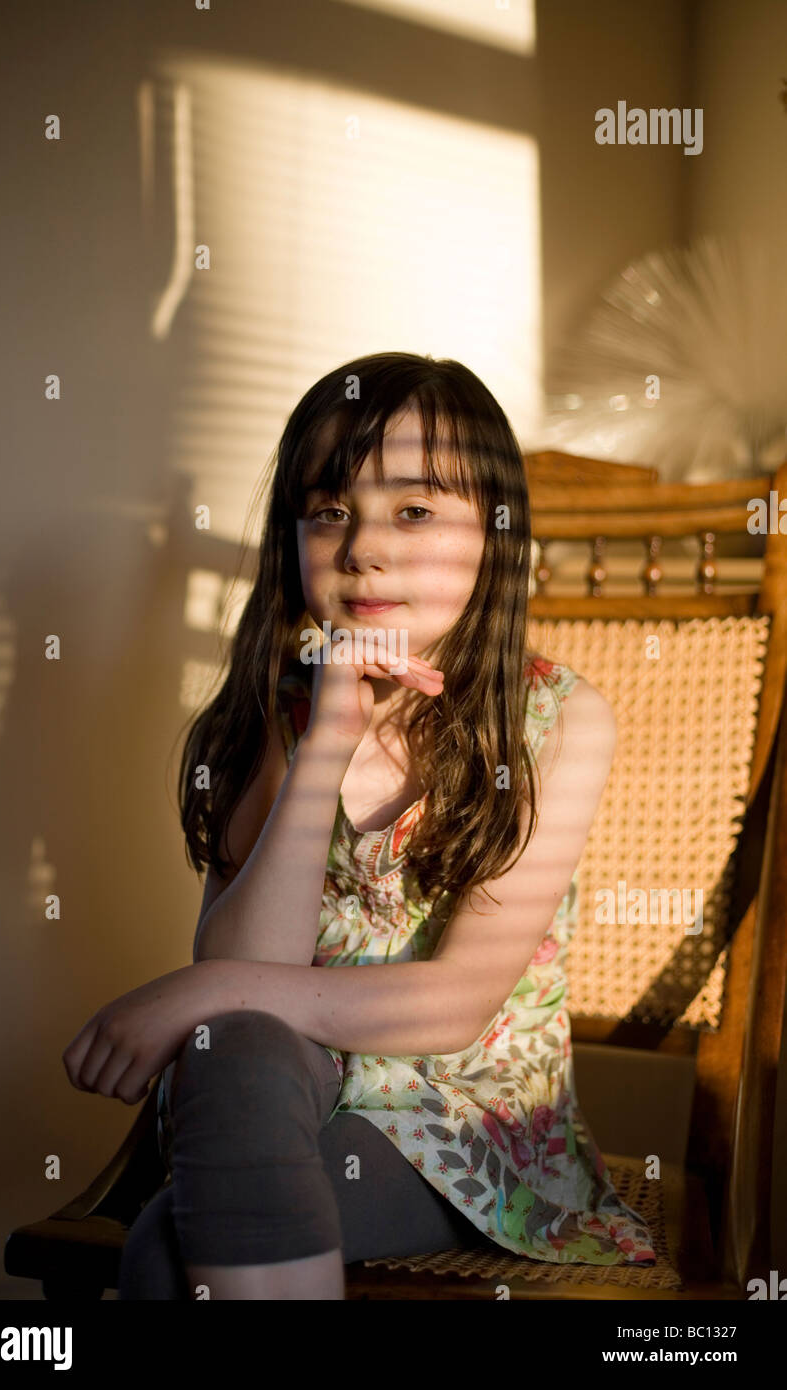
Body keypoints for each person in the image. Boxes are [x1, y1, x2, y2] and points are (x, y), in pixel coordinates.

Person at [64, 351, 657, 1299]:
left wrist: (195, 990)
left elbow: (456, 1003)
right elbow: (251, 965)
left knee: (168, 1258)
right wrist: (326, 742)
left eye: (414, 512)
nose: (363, 548)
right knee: (239, 1042)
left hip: (457, 1119)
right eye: (330, 509)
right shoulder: (276, 712)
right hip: (287, 1087)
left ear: (494, 540)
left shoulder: (558, 720)